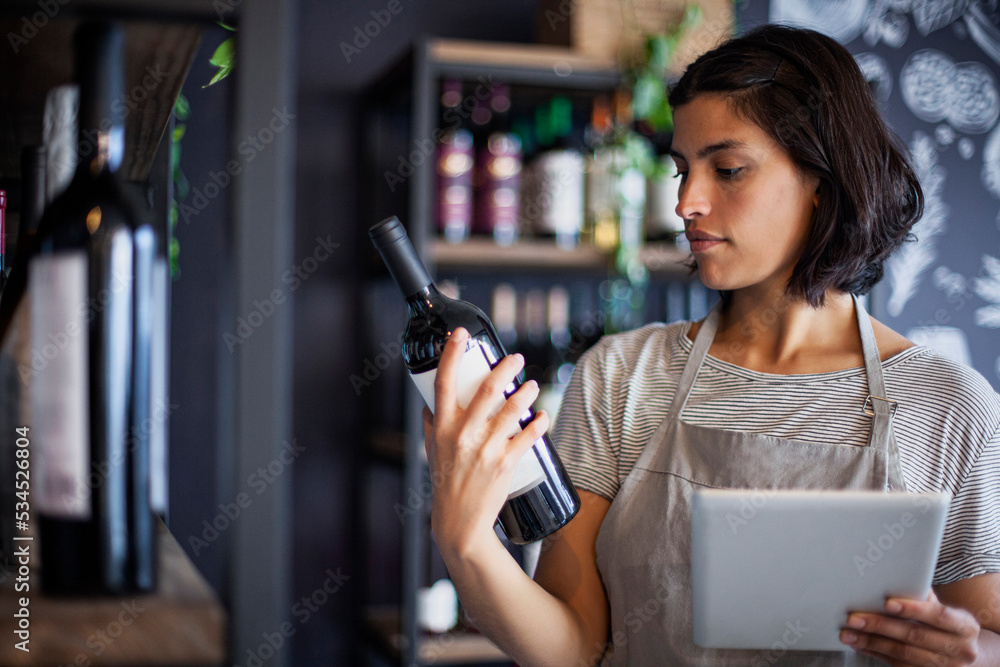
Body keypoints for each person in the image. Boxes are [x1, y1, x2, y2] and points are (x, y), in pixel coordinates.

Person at [421, 25, 1000, 666]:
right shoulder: (620, 377)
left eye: (726, 170)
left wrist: (970, 657)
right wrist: (467, 541)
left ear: (823, 178)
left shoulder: (952, 408)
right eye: (681, 169)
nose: (684, 203)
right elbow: (574, 648)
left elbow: (987, 637)